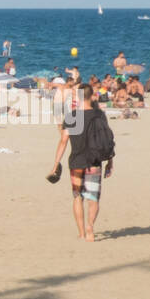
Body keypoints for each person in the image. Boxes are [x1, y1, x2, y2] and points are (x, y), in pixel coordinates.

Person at [50, 84, 114, 241]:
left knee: (78, 196)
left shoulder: (72, 116)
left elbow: (63, 140)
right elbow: (107, 139)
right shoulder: (99, 115)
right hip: (95, 161)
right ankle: (90, 226)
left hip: (76, 161)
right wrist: (110, 161)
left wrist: (56, 163)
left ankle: (81, 233)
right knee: (93, 198)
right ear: (92, 96)